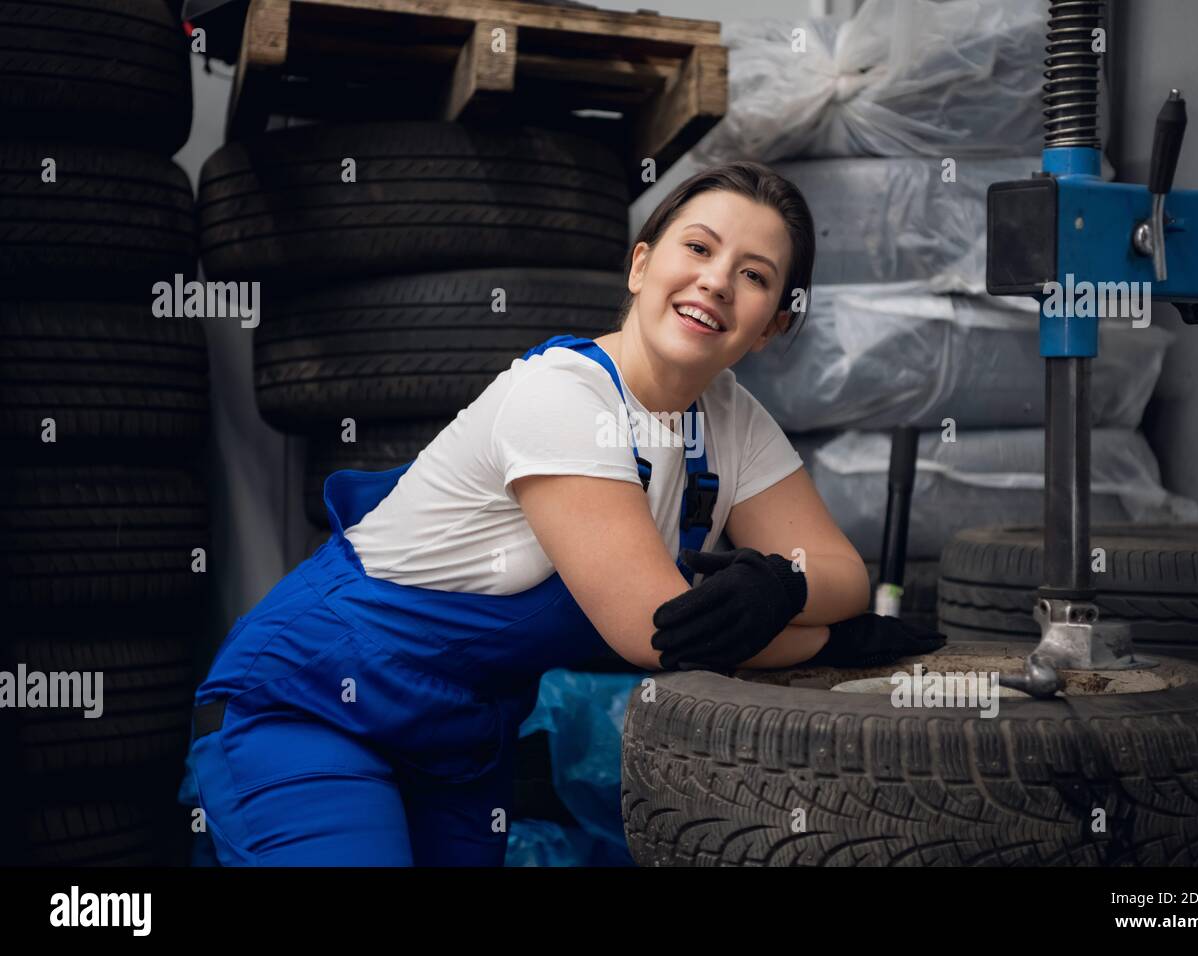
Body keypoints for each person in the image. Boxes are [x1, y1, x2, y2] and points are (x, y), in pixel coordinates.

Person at [186, 160, 944, 867]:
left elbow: (841, 568)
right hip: (307, 707)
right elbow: (661, 631)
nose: (717, 282)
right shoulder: (561, 396)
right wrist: (830, 639)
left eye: (753, 276)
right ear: (642, 265)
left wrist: (785, 589)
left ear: (773, 324)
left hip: (457, 742)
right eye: (699, 248)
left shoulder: (731, 421)